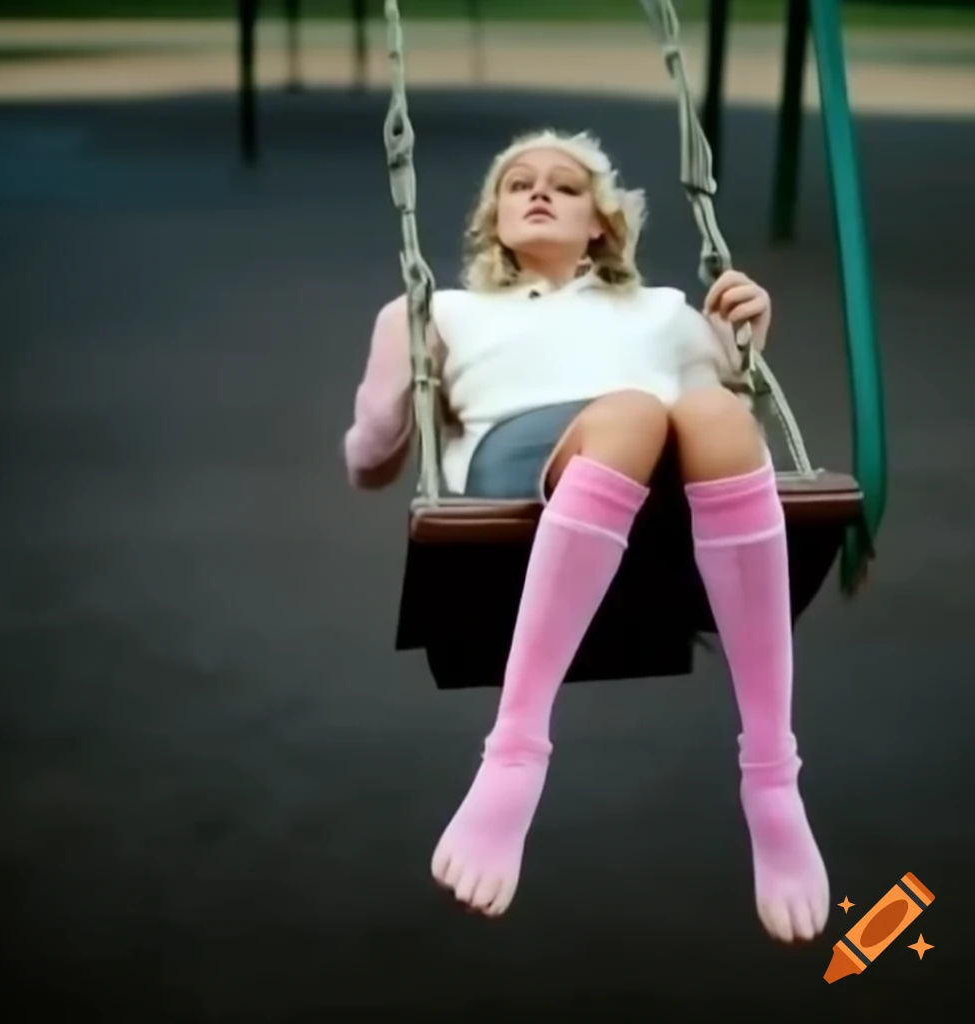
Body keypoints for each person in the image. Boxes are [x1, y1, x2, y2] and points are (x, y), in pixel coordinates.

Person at [342, 129, 829, 944]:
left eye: (564, 186)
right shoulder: (440, 311)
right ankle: (515, 752)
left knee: (708, 412)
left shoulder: (667, 311)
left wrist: (744, 345)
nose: (538, 192)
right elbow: (368, 462)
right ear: (494, 217)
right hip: (525, 463)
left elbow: (725, 424)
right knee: (631, 411)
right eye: (518, 184)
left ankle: (773, 774)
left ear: (601, 220)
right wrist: (397, 387)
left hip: (659, 477)